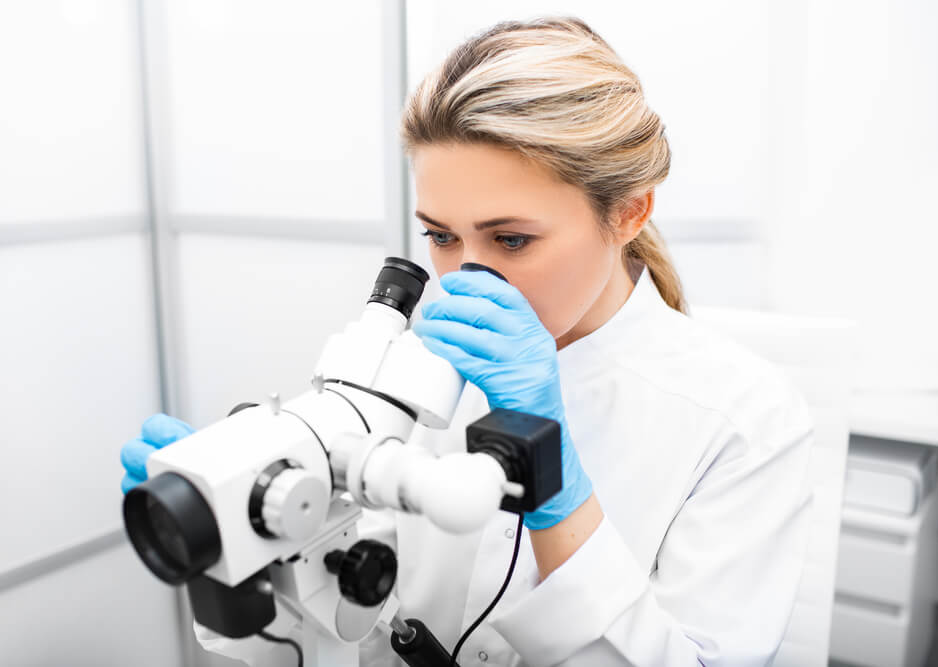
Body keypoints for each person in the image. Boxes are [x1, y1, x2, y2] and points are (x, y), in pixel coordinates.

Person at [120, 17, 814, 666]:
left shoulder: (745, 420)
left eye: (511, 238)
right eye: (441, 235)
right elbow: (336, 622)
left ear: (630, 210)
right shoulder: (411, 371)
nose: (464, 276)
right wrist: (242, 539)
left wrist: (560, 492)